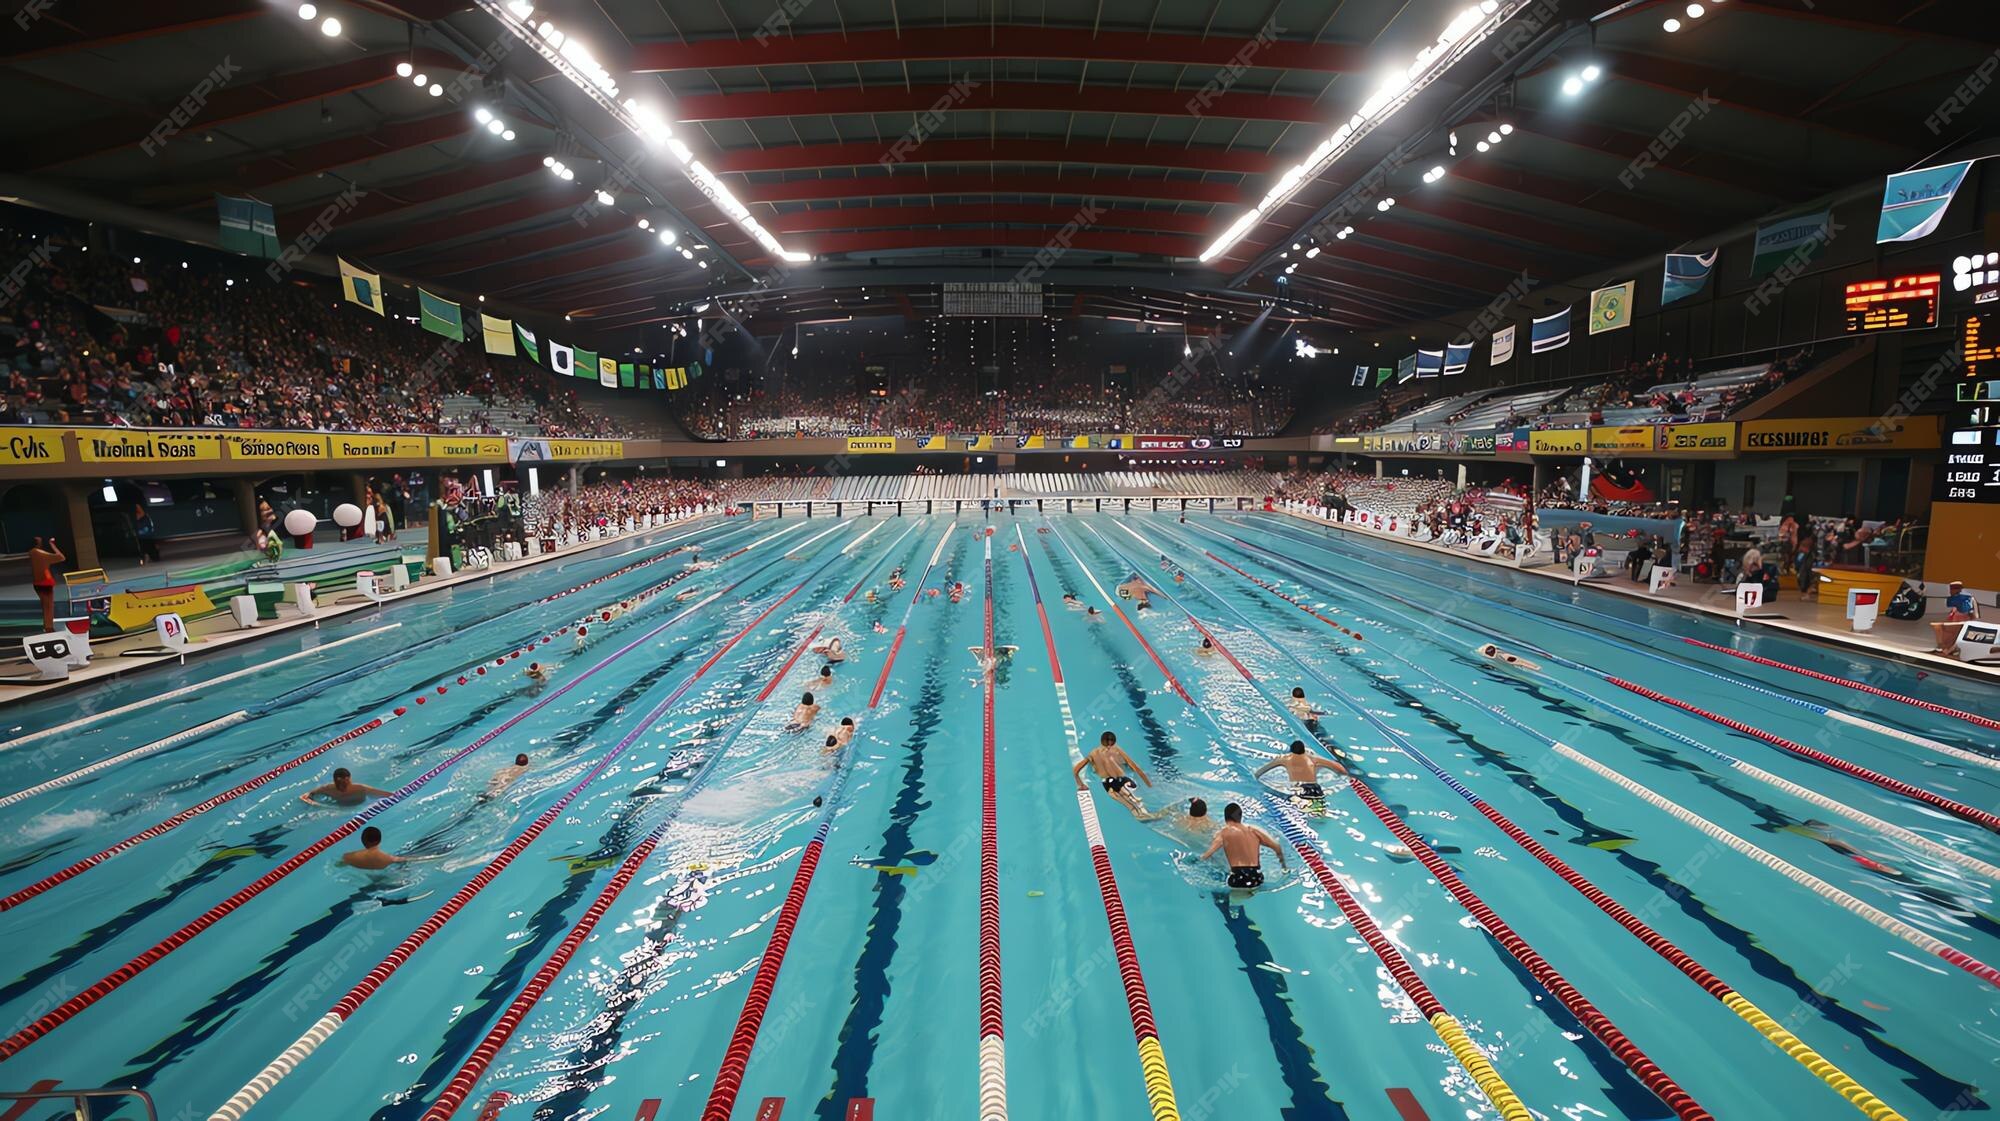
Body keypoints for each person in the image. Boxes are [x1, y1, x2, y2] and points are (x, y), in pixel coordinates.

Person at [1199, 803, 1287, 890]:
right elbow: (1276, 846)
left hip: (1238, 879)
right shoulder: (1254, 830)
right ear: (1240, 817)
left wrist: (1199, 860)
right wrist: (1284, 866)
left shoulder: (1223, 833)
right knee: (1252, 890)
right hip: (1257, 877)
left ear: (1226, 818)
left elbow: (1208, 854)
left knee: (1223, 893)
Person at [1072, 731, 1157, 818]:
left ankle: (1140, 816)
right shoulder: (1115, 750)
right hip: (1116, 781)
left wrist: (1080, 784)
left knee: (1129, 803)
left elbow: (1075, 770)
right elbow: (1134, 766)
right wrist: (1149, 784)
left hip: (1109, 783)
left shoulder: (1093, 753)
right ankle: (1145, 814)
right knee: (1133, 800)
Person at [1254, 740, 1348, 799]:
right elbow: (1339, 767)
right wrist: (1344, 774)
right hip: (1316, 788)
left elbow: (1263, 770)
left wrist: (1255, 777)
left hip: (1299, 789)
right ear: (1304, 750)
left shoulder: (1285, 759)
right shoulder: (1313, 759)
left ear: (1291, 751)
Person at [1931, 581, 1980, 658]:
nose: (1950, 592)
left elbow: (1973, 616)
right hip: (1956, 622)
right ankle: (1944, 647)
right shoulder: (1957, 600)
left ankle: (1949, 649)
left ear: (1957, 590)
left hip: (1963, 624)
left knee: (1956, 630)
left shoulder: (1966, 599)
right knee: (1938, 626)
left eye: (1951, 590)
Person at [27, 537, 63, 632]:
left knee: (44, 605)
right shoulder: (41, 554)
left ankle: (46, 626)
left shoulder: (31, 553)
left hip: (37, 584)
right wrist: (52, 545)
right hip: (45, 583)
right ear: (38, 543)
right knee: (49, 607)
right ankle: (49, 628)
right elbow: (61, 557)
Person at [341, 826, 409, 870]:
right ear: (380, 840)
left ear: (362, 840)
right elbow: (405, 860)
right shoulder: (388, 859)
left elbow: (339, 864)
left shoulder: (348, 857)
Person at [1475, 643, 1544, 672]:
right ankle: (1535, 668)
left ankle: (1535, 668)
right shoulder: (1500, 655)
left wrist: (1535, 668)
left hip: (1506, 659)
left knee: (1520, 662)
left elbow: (1520, 661)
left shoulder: (1503, 656)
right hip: (1504, 659)